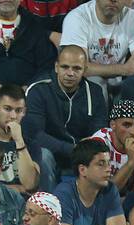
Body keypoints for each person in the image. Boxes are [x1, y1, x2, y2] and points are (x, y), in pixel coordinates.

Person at [23, 46, 109, 177]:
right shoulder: (38, 90)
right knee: (44, 155)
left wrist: (85, 148)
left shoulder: (95, 92)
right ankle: (47, 197)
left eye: (77, 68)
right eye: (65, 67)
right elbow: (35, 135)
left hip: (82, 154)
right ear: (56, 67)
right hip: (51, 150)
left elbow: (99, 132)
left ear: (85, 70)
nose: (70, 73)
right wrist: (71, 149)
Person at [53, 138, 126, 225]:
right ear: (82, 170)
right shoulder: (64, 194)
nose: (109, 169)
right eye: (101, 164)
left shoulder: (110, 190)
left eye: (109, 163)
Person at [59, 0, 134, 92]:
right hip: (85, 83)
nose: (113, 0)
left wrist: (125, 70)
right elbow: (77, 68)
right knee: (96, 84)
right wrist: (124, 69)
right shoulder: (77, 17)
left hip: (118, 82)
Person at [0, 85, 43, 195]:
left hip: (23, 208)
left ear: (24, 112)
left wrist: (19, 141)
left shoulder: (30, 144)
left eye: (19, 110)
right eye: (7, 109)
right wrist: (18, 188)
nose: (13, 116)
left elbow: (30, 185)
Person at [89, 100, 134, 196]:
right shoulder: (100, 143)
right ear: (113, 125)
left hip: (132, 201)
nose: (133, 131)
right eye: (127, 125)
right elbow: (104, 194)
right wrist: (131, 162)